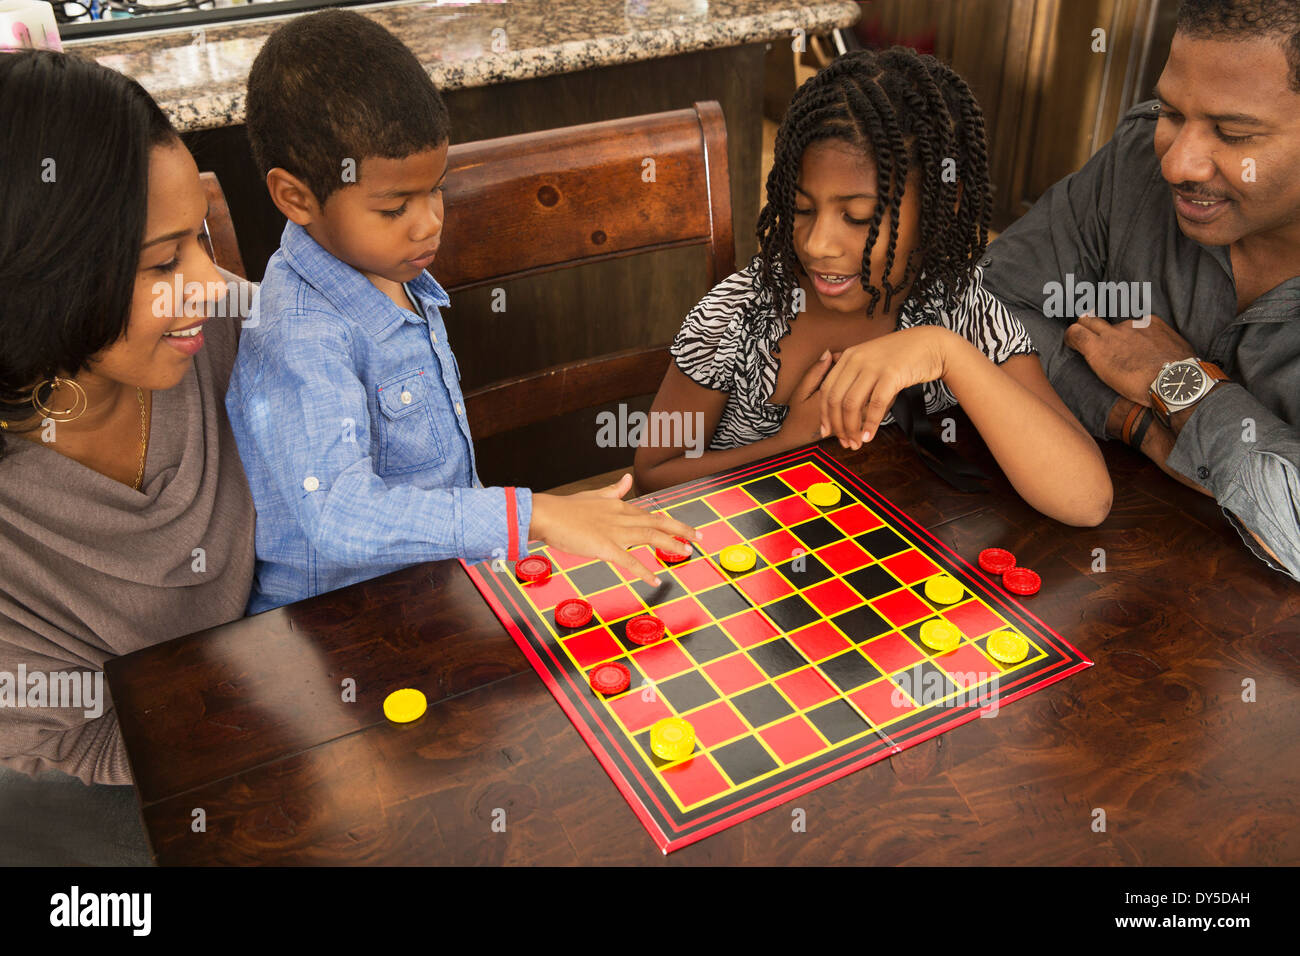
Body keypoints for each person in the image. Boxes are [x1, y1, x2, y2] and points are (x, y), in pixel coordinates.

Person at [225, 11, 700, 615]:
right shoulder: (298, 333)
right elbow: (339, 512)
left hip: (443, 586)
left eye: (437, 189)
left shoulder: (391, 267)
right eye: (395, 208)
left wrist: (525, 523)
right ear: (296, 198)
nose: (430, 223)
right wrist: (537, 514)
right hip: (342, 624)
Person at [635, 48, 1112, 528]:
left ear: (941, 207)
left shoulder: (957, 307)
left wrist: (944, 352)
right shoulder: (735, 318)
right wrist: (786, 445)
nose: (818, 243)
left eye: (857, 217)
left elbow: (1086, 499)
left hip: (888, 558)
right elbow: (653, 475)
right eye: (801, 208)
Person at [0, 50, 256, 783]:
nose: (215, 288)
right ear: (37, 279)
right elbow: (74, 750)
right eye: (162, 263)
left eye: (200, 240)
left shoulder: (226, 339)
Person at [981, 0, 1300, 580]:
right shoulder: (1136, 164)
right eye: (1173, 113)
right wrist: (1141, 424)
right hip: (1098, 579)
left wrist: (1184, 385)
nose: (1178, 163)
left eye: (1231, 133)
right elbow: (992, 305)